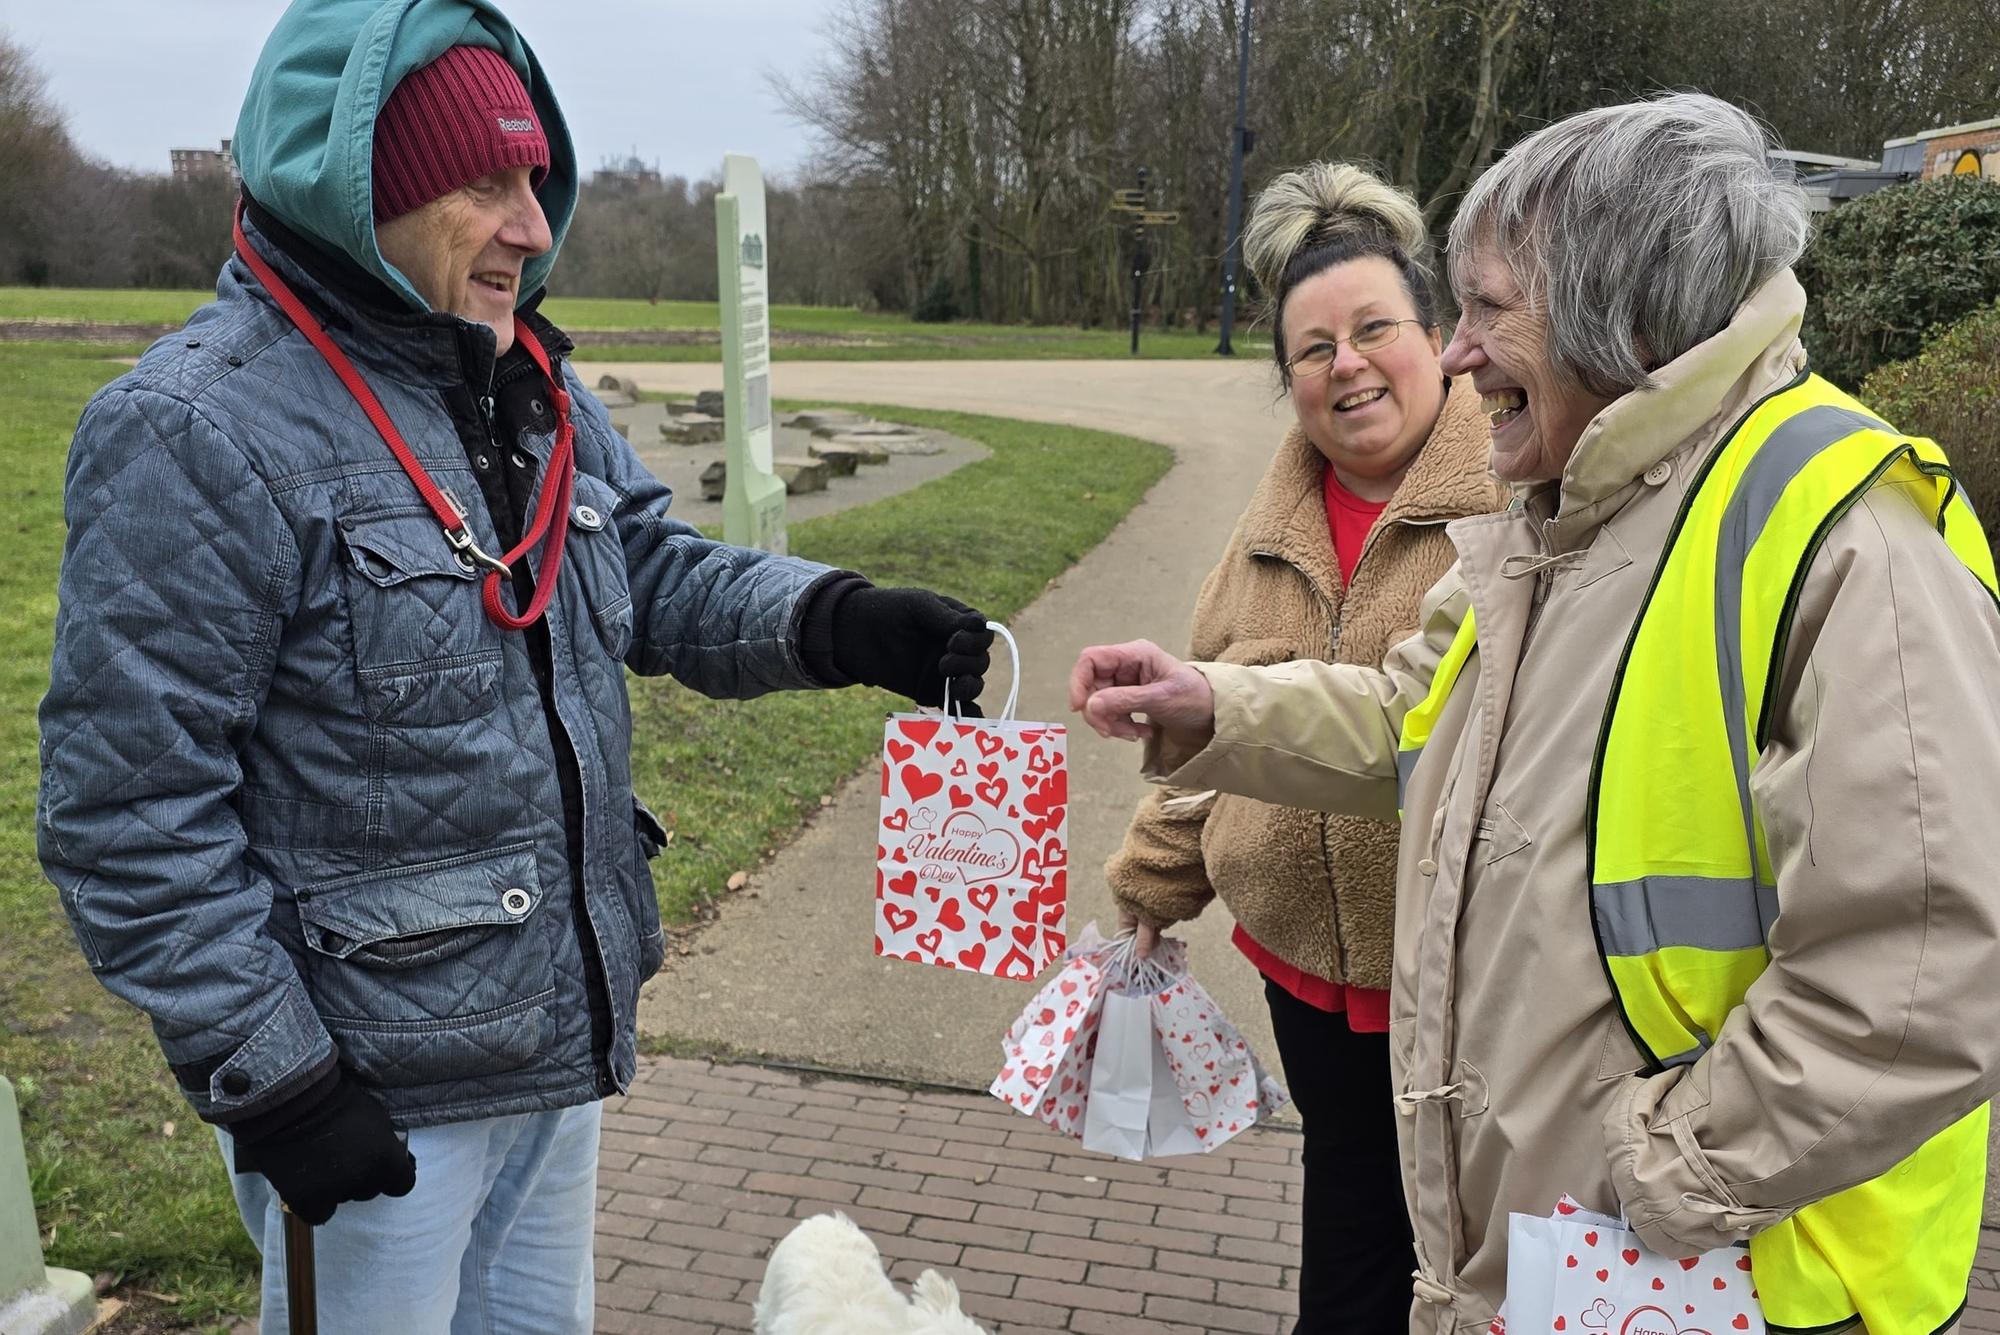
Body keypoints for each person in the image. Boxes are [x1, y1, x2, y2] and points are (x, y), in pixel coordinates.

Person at [36, 3, 990, 1331]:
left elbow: (641, 569)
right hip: (368, 1095)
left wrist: (837, 619)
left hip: (549, 1047)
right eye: (487, 181)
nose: (534, 226)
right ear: (360, 187)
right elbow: (126, 811)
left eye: (536, 181)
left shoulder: (523, 380)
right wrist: (279, 1079)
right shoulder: (192, 429)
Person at [1073, 93, 2000, 1334]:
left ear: (1618, 306)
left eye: (1486, 309)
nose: (1453, 355)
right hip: (1586, 1259)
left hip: (1753, 1276)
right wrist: (1211, 708)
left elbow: (1930, 964)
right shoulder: (1560, 513)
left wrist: (1663, 1169)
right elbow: (1417, 716)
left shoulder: (1846, 535)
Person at [1105, 162, 1503, 1329]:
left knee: (1467, 1241)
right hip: (1304, 972)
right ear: (1288, 384)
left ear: (1435, 336)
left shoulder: (1516, 499)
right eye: (1313, 349)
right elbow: (1205, 717)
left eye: (1375, 328)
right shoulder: (1266, 528)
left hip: (1458, 979)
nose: (1348, 365)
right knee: (1348, 1227)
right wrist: (1153, 880)